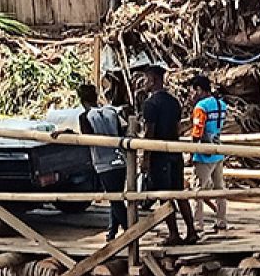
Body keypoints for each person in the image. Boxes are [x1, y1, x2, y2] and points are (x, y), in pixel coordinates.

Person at [141, 65, 197, 245]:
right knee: (179, 193)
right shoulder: (174, 102)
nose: (145, 82)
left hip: (159, 154)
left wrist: (146, 157)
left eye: (147, 78)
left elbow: (151, 131)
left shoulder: (150, 104)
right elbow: (177, 128)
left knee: (164, 195)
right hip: (174, 151)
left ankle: (173, 233)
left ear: (154, 79)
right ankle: (191, 230)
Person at [76, 84, 129, 240]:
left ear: (82, 101)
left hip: (103, 163)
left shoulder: (85, 117)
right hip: (120, 159)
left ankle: (130, 230)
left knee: (115, 199)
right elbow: (122, 132)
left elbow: (87, 139)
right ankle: (112, 231)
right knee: (116, 196)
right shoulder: (111, 111)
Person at [187, 74, 229, 235]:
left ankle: (198, 223)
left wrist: (192, 151)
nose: (191, 95)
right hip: (218, 150)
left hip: (204, 154)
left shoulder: (201, 107)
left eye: (192, 91)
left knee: (197, 190)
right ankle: (221, 220)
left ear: (199, 89)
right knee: (220, 189)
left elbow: (197, 132)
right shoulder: (221, 105)